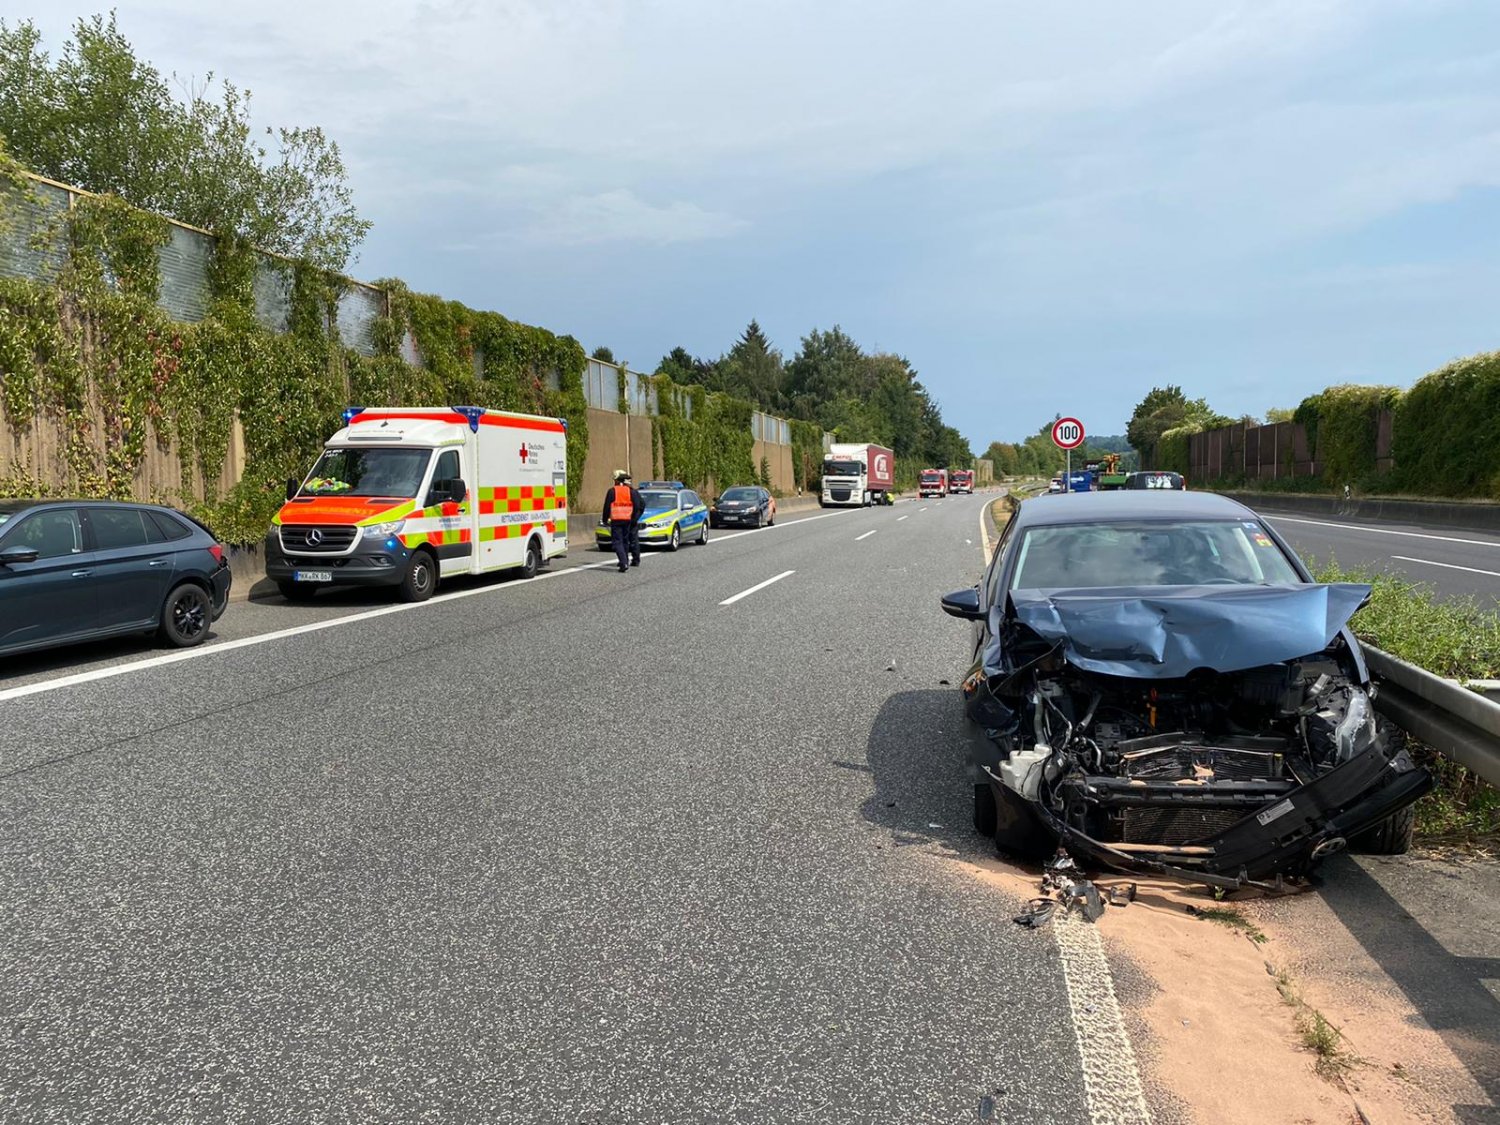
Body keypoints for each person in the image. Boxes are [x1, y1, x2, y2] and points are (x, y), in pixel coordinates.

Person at [602, 469, 644, 572]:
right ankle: (625, 560)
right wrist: (633, 518)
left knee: (617, 542)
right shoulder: (630, 491)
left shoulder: (612, 491)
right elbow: (637, 506)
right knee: (625, 541)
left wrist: (605, 519)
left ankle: (624, 562)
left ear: (617, 480)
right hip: (627, 520)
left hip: (616, 519)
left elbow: (606, 507)